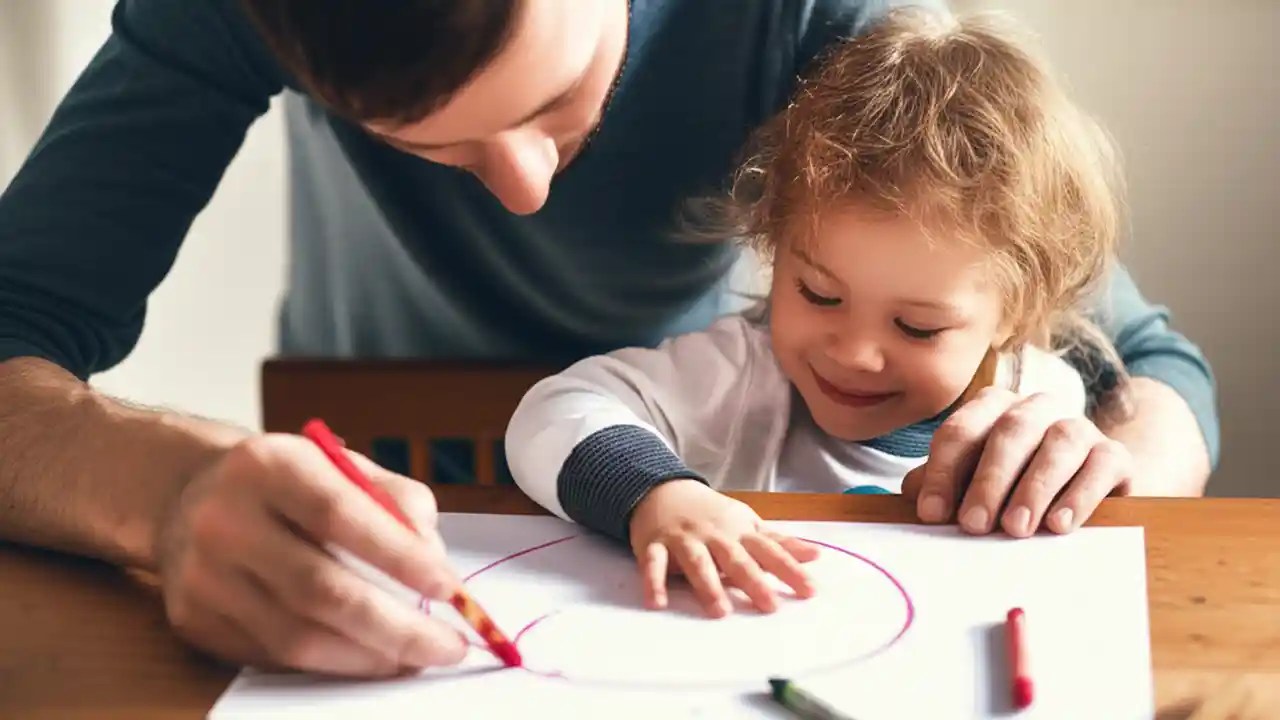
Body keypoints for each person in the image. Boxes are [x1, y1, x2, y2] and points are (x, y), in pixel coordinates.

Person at [0, 0, 1215, 678]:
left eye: (549, 101)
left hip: (710, 508)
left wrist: (1101, 470)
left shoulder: (834, 25)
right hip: (369, 493)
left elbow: (1152, 376)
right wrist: (156, 489)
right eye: (422, 142)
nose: (522, 191)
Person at [506, 8, 1174, 618]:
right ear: (775, 248)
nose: (853, 351)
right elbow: (552, 412)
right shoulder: (744, 371)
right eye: (818, 294)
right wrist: (658, 496)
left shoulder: (1042, 400)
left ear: (1016, 314)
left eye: (917, 326)